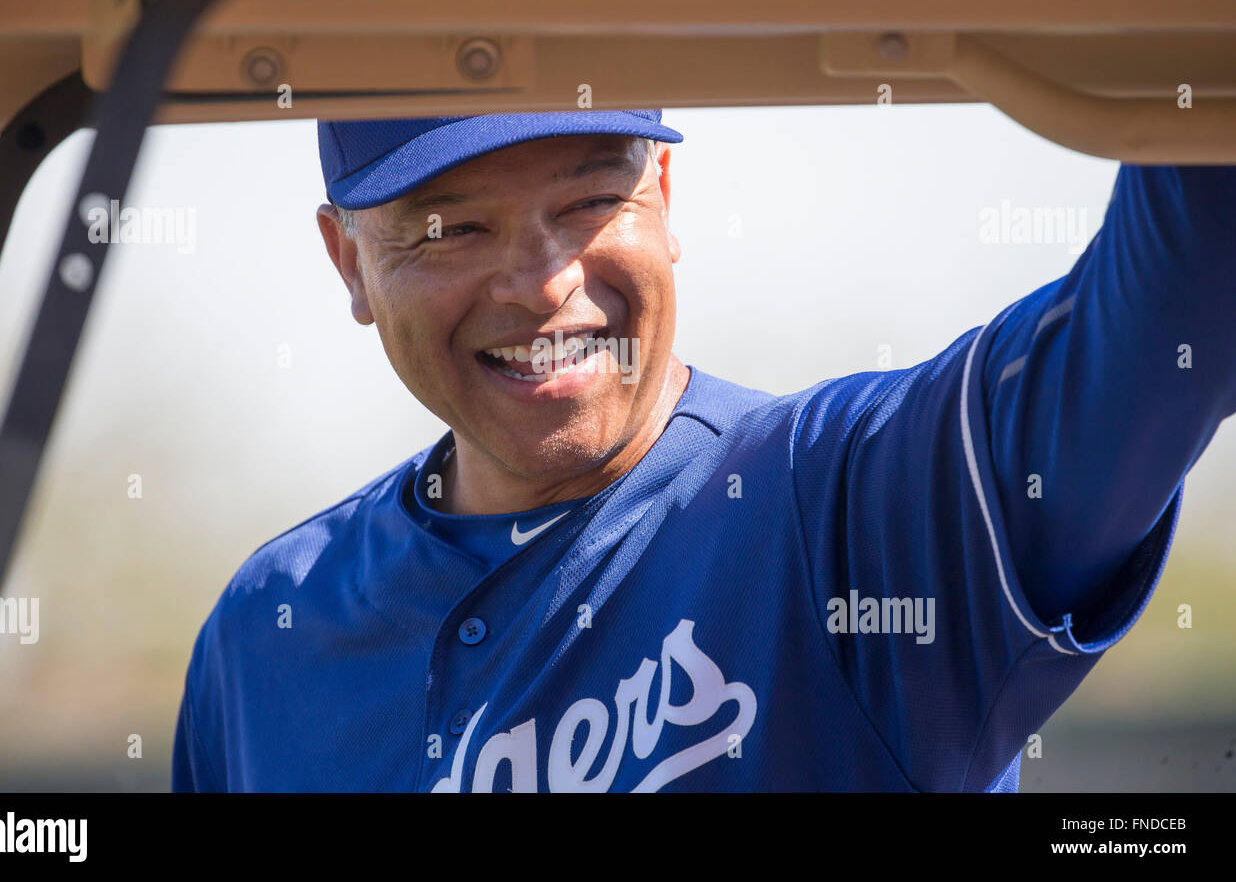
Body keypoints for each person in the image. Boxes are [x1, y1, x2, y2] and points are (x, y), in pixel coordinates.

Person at [172, 109, 1235, 791]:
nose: (544, 282)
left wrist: (1171, 41)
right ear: (347, 259)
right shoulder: (270, 627)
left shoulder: (845, 509)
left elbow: (1176, 316)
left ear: (663, 200)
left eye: (591, 199)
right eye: (453, 229)